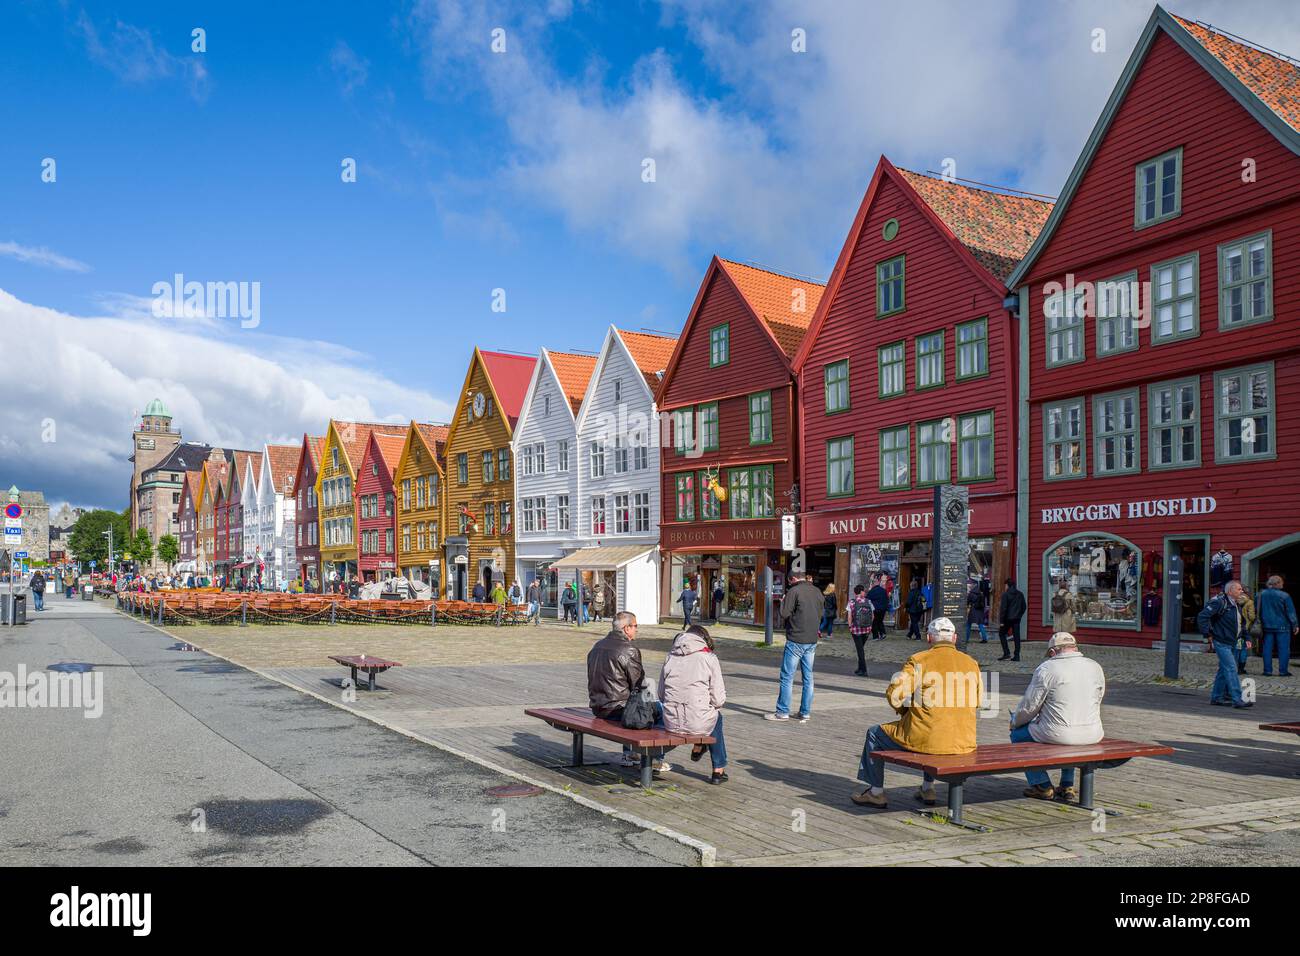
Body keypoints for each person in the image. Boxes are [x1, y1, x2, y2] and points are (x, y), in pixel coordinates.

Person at [851, 617, 980, 808]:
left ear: (929, 638)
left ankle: (876, 792)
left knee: (875, 734)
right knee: (932, 722)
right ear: (954, 638)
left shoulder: (919, 660)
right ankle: (927, 787)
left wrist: (904, 709)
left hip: (928, 738)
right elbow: (977, 701)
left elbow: (895, 694)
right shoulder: (971, 663)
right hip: (964, 741)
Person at [1009, 632, 1105, 802]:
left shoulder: (1047, 668)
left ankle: (1042, 785)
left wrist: (1015, 721)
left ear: (1053, 652)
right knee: (1069, 735)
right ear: (1075, 648)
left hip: (1057, 732)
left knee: (1018, 735)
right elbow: (1099, 696)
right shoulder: (1095, 666)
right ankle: (1067, 784)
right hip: (1093, 732)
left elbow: (1030, 706)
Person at [587, 611, 671, 774]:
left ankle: (629, 754)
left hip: (598, 706)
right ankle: (654, 759)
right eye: (635, 626)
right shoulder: (629, 649)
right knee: (659, 710)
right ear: (626, 628)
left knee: (632, 703)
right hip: (618, 709)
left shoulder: (597, 646)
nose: (636, 630)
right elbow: (639, 684)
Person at [659, 624, 728, 784]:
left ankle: (699, 746)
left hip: (671, 721)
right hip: (697, 722)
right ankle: (718, 770)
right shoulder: (709, 658)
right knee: (716, 718)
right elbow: (718, 699)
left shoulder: (670, 656)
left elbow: (661, 694)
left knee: (706, 716)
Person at [765, 571, 821, 722]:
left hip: (796, 638)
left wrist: (783, 600)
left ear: (793, 579)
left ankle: (782, 712)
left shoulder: (793, 591)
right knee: (808, 677)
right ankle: (805, 712)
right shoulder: (817, 591)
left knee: (787, 677)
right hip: (811, 640)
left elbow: (784, 613)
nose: (790, 584)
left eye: (790, 581)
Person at [1198, 580, 1252, 709]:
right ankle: (1237, 699)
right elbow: (1202, 616)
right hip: (1221, 641)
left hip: (1232, 641)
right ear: (1230, 591)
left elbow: (1241, 623)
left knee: (1224, 669)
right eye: (1239, 589)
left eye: (1241, 589)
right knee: (1231, 668)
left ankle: (1216, 698)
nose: (1242, 591)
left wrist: (1247, 637)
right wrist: (1208, 634)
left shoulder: (1236, 603)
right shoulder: (1219, 602)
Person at [1258, 575, 1298, 677]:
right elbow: (1291, 612)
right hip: (1283, 626)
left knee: (1267, 648)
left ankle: (1267, 671)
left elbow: (1257, 609)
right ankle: (1283, 671)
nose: (1283, 584)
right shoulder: (1285, 595)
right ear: (1278, 583)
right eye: (1282, 582)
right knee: (1283, 649)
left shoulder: (1260, 594)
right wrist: (1295, 625)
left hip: (1266, 626)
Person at [846, 584, 872, 677]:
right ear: (861, 592)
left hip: (856, 630)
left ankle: (864, 670)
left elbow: (849, 617)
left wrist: (850, 627)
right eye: (864, 591)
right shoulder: (869, 602)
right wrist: (870, 626)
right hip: (867, 630)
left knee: (860, 650)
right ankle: (860, 668)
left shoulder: (851, 602)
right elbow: (873, 616)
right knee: (860, 649)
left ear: (854, 592)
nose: (864, 592)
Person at [998, 579, 1027, 662]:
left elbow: (1003, 609)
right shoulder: (1020, 594)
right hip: (1017, 618)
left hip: (1007, 618)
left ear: (1007, 585)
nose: (1005, 587)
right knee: (1017, 637)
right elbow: (1024, 606)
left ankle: (1006, 653)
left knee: (1002, 633)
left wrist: (1002, 621)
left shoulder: (1006, 594)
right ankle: (1017, 655)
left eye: (1005, 585)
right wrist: (1019, 615)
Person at [1238, 589, 1258, 675]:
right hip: (1246, 630)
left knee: (1237, 648)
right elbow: (1252, 617)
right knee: (1244, 649)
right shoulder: (1249, 602)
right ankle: (1241, 668)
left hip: (1237, 630)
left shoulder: (1235, 601)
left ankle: (1235, 666)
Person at [964, 582, 989, 646]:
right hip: (980, 611)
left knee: (968, 624)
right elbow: (983, 604)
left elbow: (967, 602)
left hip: (973, 610)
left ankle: (966, 639)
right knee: (980, 625)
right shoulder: (981, 594)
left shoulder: (971, 594)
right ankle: (984, 638)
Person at [867, 575, 890, 641]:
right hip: (882, 609)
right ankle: (883, 633)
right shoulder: (883, 591)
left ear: (874, 583)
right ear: (878, 583)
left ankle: (875, 636)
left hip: (875, 609)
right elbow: (887, 599)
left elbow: (867, 599)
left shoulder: (871, 591)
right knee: (880, 621)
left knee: (874, 622)